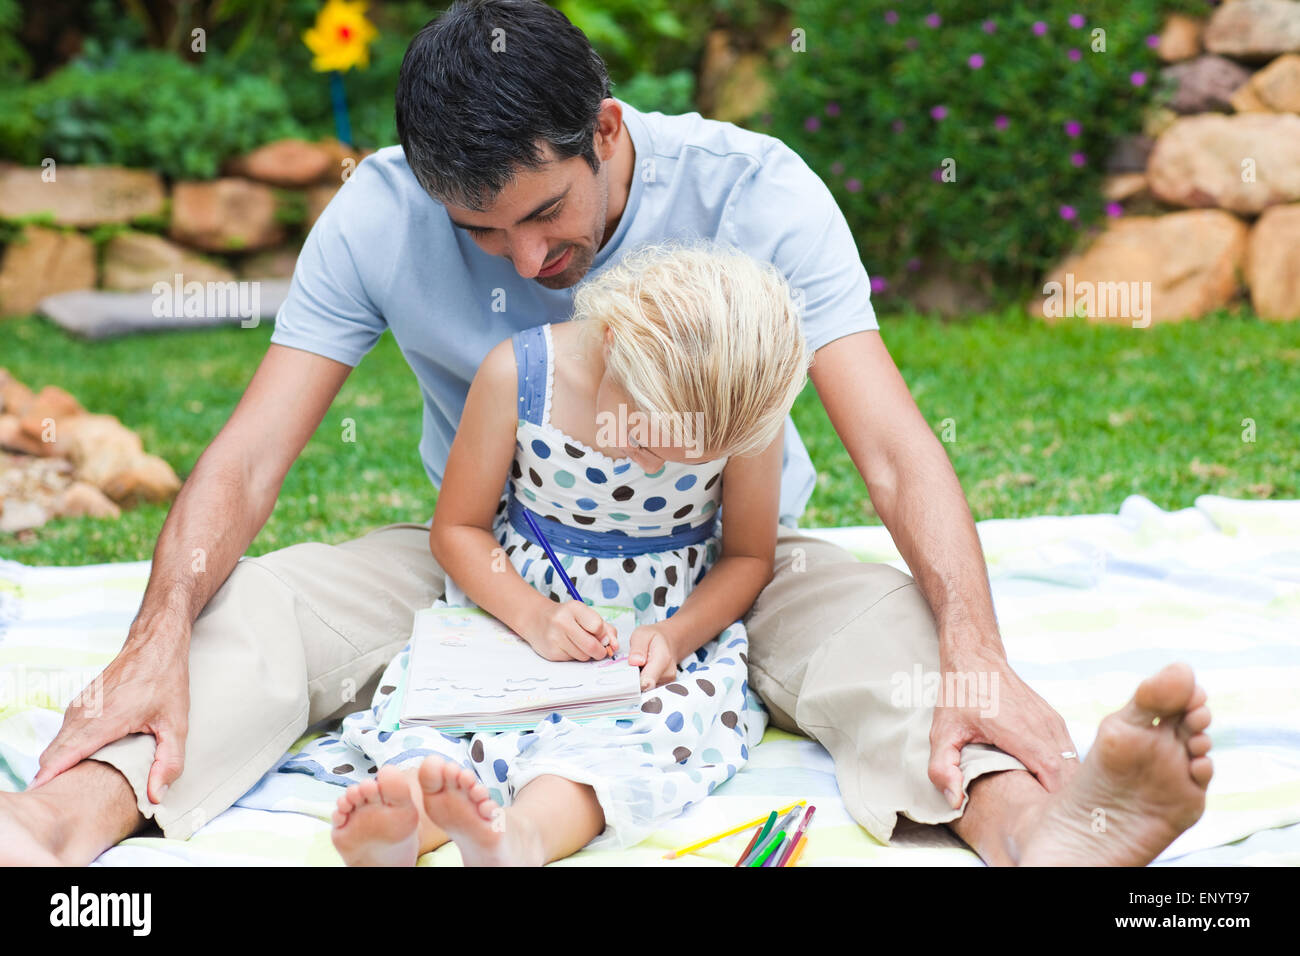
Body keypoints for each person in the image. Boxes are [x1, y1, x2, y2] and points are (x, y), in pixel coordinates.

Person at [2, 0, 1212, 867]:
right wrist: (154, 632)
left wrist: (980, 650)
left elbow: (892, 446)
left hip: (732, 560)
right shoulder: (374, 216)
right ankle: (59, 824)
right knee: (253, 615)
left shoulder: (755, 193)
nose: (530, 260)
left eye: (545, 211)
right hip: (477, 553)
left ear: (609, 131)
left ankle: (1039, 833)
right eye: (482, 234)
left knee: (899, 642)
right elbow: (252, 454)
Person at [308, 241, 805, 865]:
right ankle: (411, 817)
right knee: (444, 721)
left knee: (626, 743)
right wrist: (535, 618)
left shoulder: (739, 413)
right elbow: (458, 530)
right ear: (617, 340)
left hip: (658, 647)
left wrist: (678, 636)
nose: (652, 466)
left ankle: (519, 838)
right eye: (644, 437)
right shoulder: (520, 375)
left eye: (686, 461)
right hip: (517, 613)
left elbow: (749, 558)